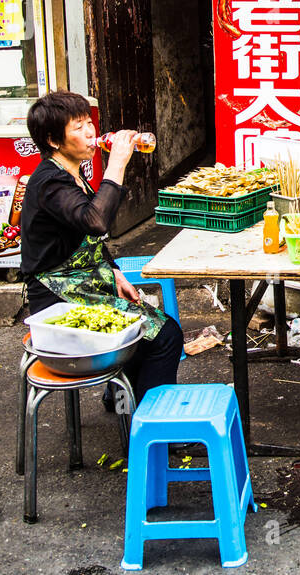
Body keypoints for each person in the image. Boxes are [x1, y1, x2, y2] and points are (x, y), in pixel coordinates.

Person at [19, 90, 181, 406]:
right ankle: (156, 428)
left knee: (145, 334)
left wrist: (115, 272)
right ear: (53, 140)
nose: (91, 132)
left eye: (88, 122)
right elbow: (95, 221)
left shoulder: (72, 173)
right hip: (57, 303)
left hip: (85, 285)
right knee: (165, 336)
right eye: (78, 127)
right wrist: (118, 161)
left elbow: (88, 238)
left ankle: (123, 400)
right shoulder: (50, 183)